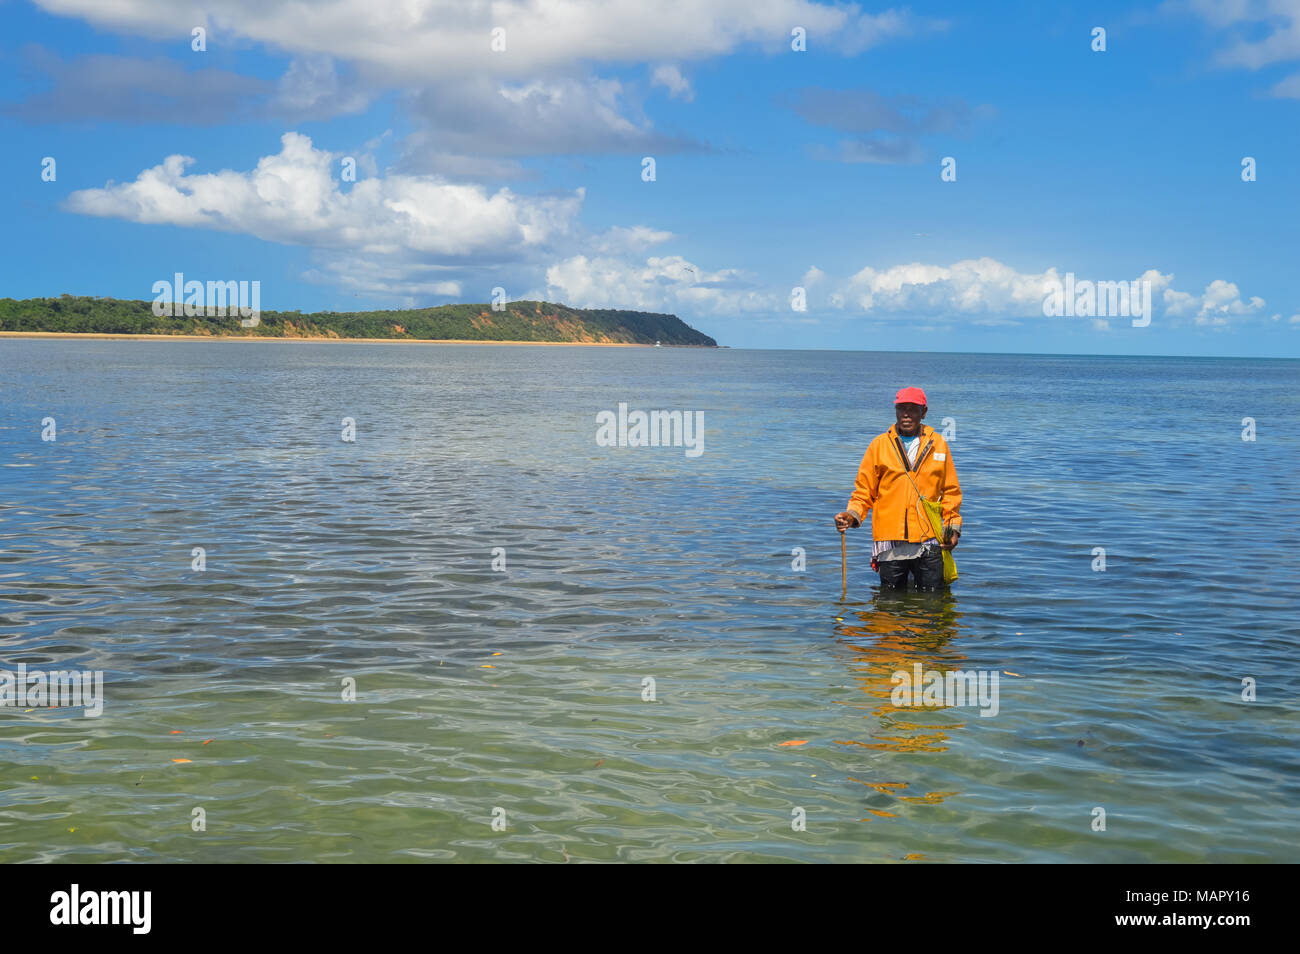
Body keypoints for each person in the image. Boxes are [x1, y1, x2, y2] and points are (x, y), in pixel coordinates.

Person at [834, 387, 963, 591]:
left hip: (928, 539)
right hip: (889, 541)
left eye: (913, 409)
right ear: (896, 411)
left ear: (924, 412)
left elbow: (951, 492)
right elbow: (863, 492)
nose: (906, 414)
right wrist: (851, 515)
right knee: (890, 605)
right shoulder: (879, 446)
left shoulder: (938, 444)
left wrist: (953, 528)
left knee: (933, 604)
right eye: (902, 408)